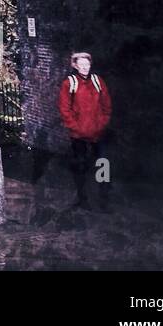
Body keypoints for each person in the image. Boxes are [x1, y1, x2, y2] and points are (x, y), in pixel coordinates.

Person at [57, 51, 113, 211]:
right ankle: (83, 198)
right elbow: (64, 108)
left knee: (103, 166)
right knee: (80, 166)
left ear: (90, 64)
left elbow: (106, 105)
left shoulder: (97, 81)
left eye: (87, 64)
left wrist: (101, 124)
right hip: (78, 135)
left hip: (97, 133)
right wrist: (76, 127)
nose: (84, 67)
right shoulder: (70, 83)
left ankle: (104, 199)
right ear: (75, 66)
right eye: (81, 64)